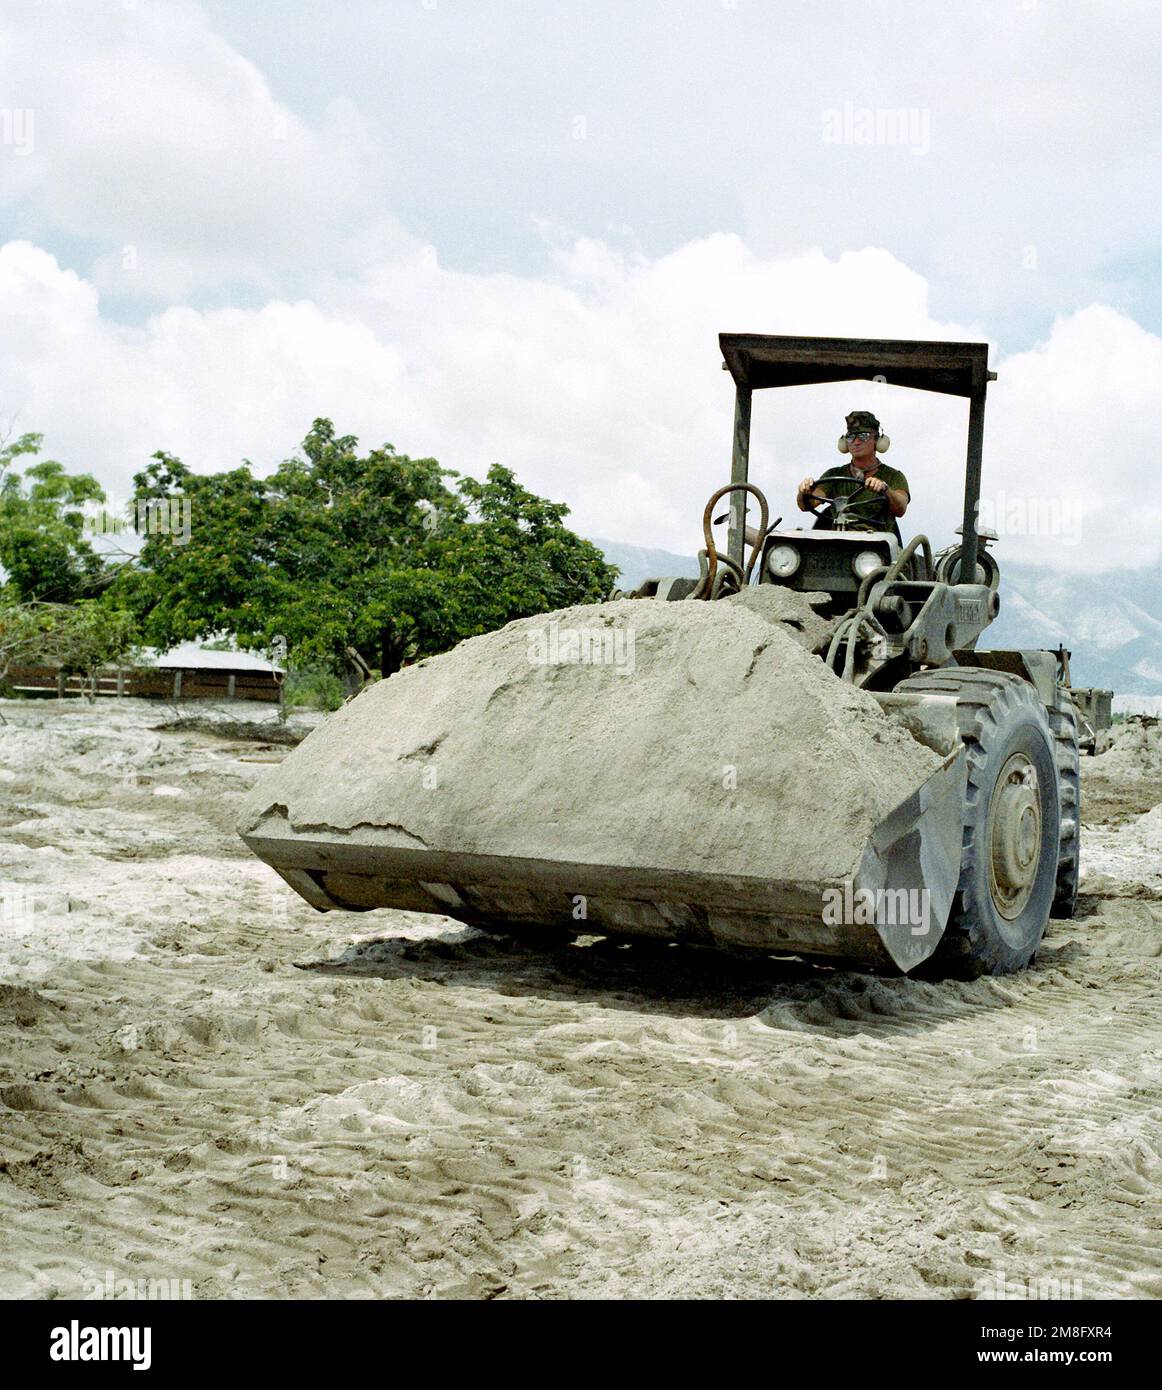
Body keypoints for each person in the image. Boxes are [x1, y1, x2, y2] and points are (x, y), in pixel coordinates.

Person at [796, 410, 910, 536]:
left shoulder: (893, 476)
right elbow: (806, 505)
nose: (856, 442)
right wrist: (804, 492)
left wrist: (885, 489)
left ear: (877, 441)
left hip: (877, 544)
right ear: (845, 443)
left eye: (863, 436)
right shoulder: (834, 475)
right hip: (836, 540)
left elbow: (900, 509)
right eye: (851, 437)